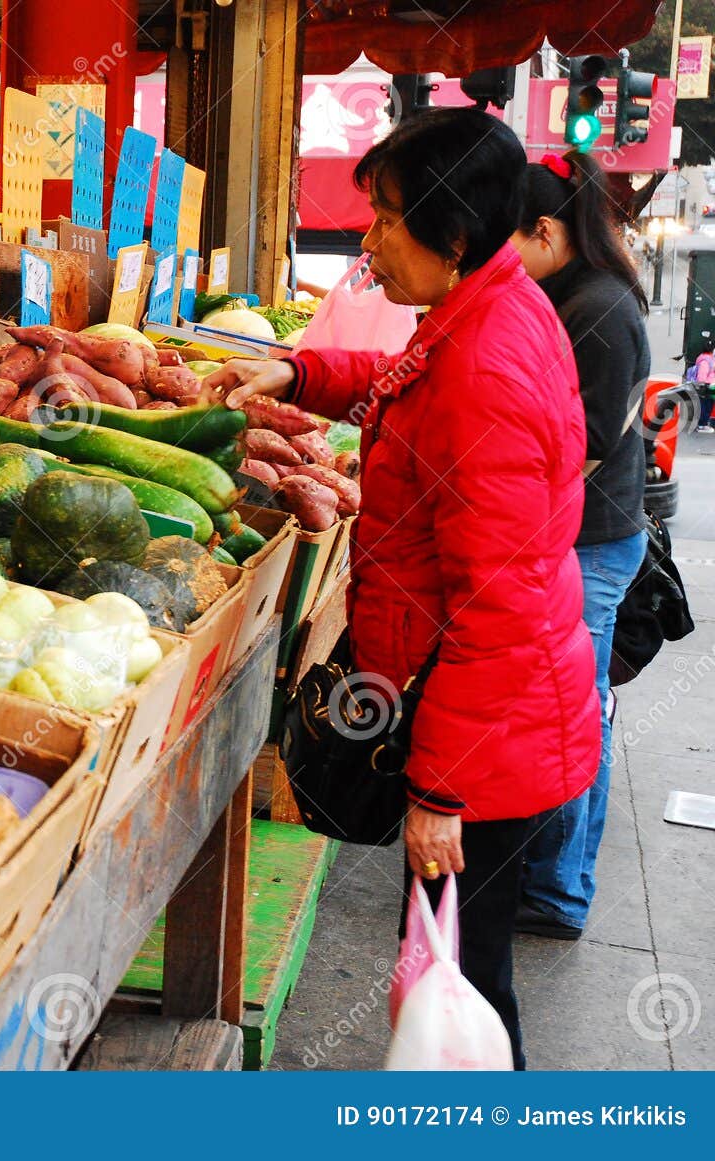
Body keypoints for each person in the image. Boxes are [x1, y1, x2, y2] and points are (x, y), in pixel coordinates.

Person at [204, 108, 598, 1068]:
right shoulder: (487, 306)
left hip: (493, 737)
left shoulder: (489, 365)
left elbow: (492, 607)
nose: (369, 241)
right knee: (443, 965)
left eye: (385, 217)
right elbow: (406, 381)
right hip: (497, 718)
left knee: (458, 979)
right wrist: (301, 373)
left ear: (452, 233)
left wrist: (441, 792)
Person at [510, 152, 651, 940]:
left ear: (547, 230)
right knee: (567, 708)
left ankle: (559, 888)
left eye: (511, 242)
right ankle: (546, 873)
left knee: (575, 713)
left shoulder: (596, 309)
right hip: (579, 538)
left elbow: (585, 444)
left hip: (589, 544)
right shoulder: (572, 294)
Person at [693, 341, 715, 432]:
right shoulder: (706, 361)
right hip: (707, 387)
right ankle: (702, 425)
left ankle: (703, 424)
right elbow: (701, 377)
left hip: (707, 386)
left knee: (707, 405)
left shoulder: (705, 358)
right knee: (706, 406)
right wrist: (708, 384)